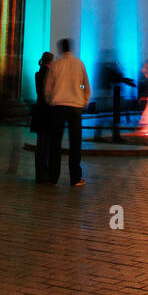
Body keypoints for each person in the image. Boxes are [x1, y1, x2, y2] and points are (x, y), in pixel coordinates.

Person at [45, 38, 91, 187]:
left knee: (55, 142)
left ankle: (53, 177)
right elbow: (85, 84)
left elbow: (48, 87)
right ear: (71, 48)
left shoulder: (56, 65)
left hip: (58, 106)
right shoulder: (79, 64)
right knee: (75, 143)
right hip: (75, 106)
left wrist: (50, 99)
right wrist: (84, 100)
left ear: (61, 49)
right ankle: (75, 178)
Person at [31, 52, 57, 183]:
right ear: (50, 61)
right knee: (46, 145)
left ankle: (39, 174)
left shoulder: (37, 74)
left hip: (38, 110)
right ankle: (44, 174)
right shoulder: (50, 75)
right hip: (47, 112)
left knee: (40, 143)